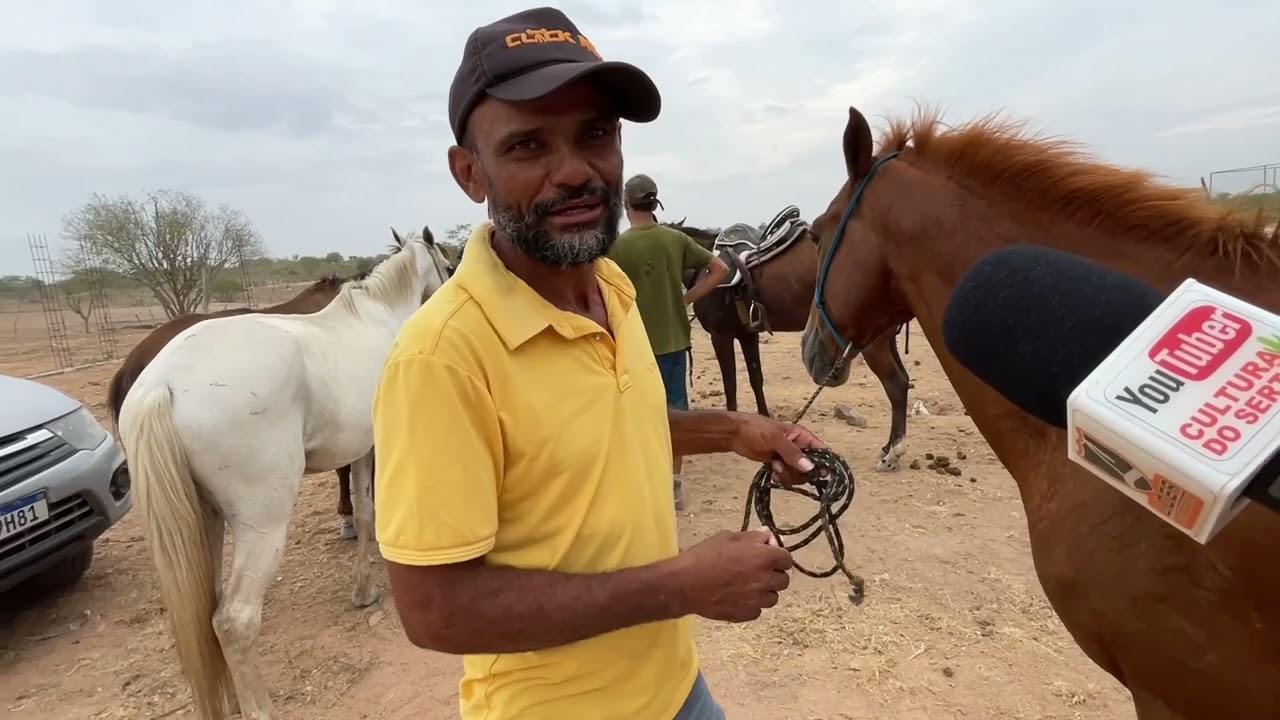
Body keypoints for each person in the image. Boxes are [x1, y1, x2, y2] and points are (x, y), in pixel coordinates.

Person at [371, 7, 830, 720]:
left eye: (595, 134)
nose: (577, 172)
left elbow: (615, 421)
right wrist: (682, 585)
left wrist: (736, 429)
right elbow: (434, 611)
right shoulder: (442, 358)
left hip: (678, 689)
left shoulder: (610, 284)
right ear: (469, 173)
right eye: (529, 146)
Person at [607, 174, 730, 511]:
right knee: (675, 413)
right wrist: (686, 299)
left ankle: (644, 480)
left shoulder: (616, 247)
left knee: (636, 415)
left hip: (634, 345)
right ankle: (674, 486)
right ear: (654, 202)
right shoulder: (675, 239)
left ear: (625, 203)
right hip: (674, 341)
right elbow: (720, 269)